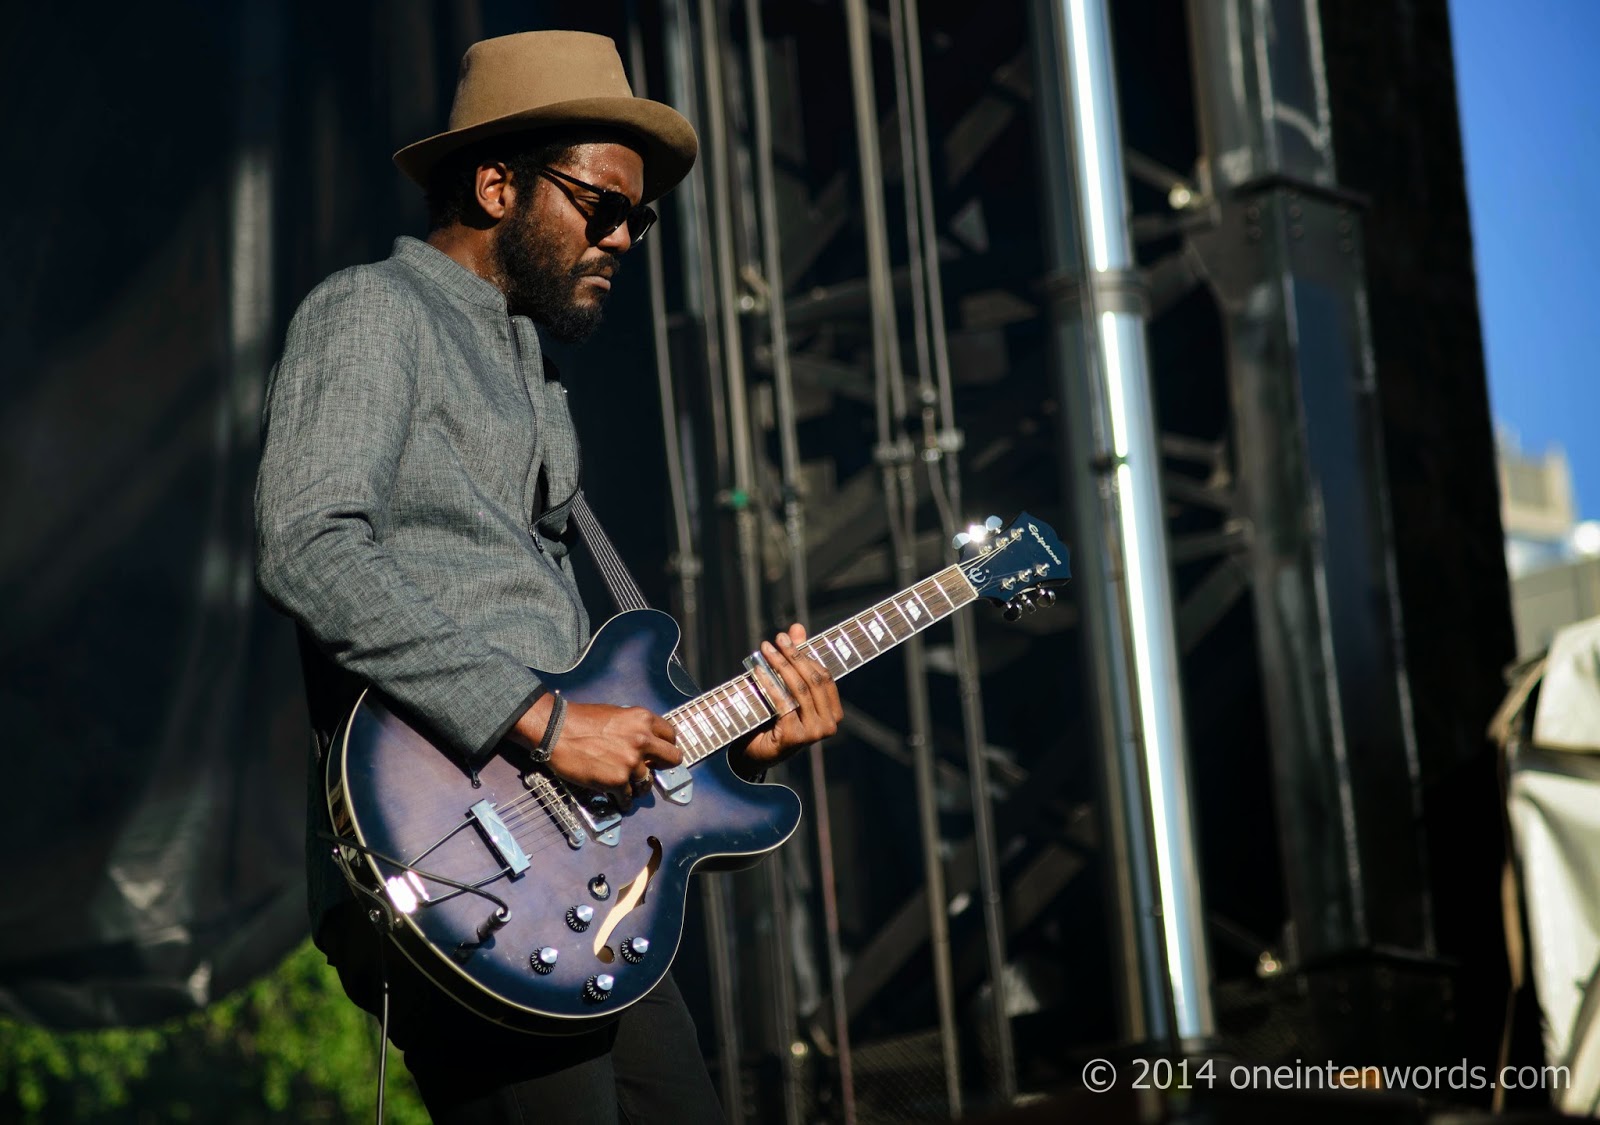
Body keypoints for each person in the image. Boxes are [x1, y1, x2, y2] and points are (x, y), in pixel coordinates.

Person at [254, 30, 842, 1124]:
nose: (620, 237)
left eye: (638, 220)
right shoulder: (373, 310)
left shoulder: (535, 374)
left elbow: (581, 677)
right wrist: (541, 720)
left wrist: (727, 746)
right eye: (600, 206)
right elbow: (309, 542)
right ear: (495, 186)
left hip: (580, 890)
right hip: (457, 866)